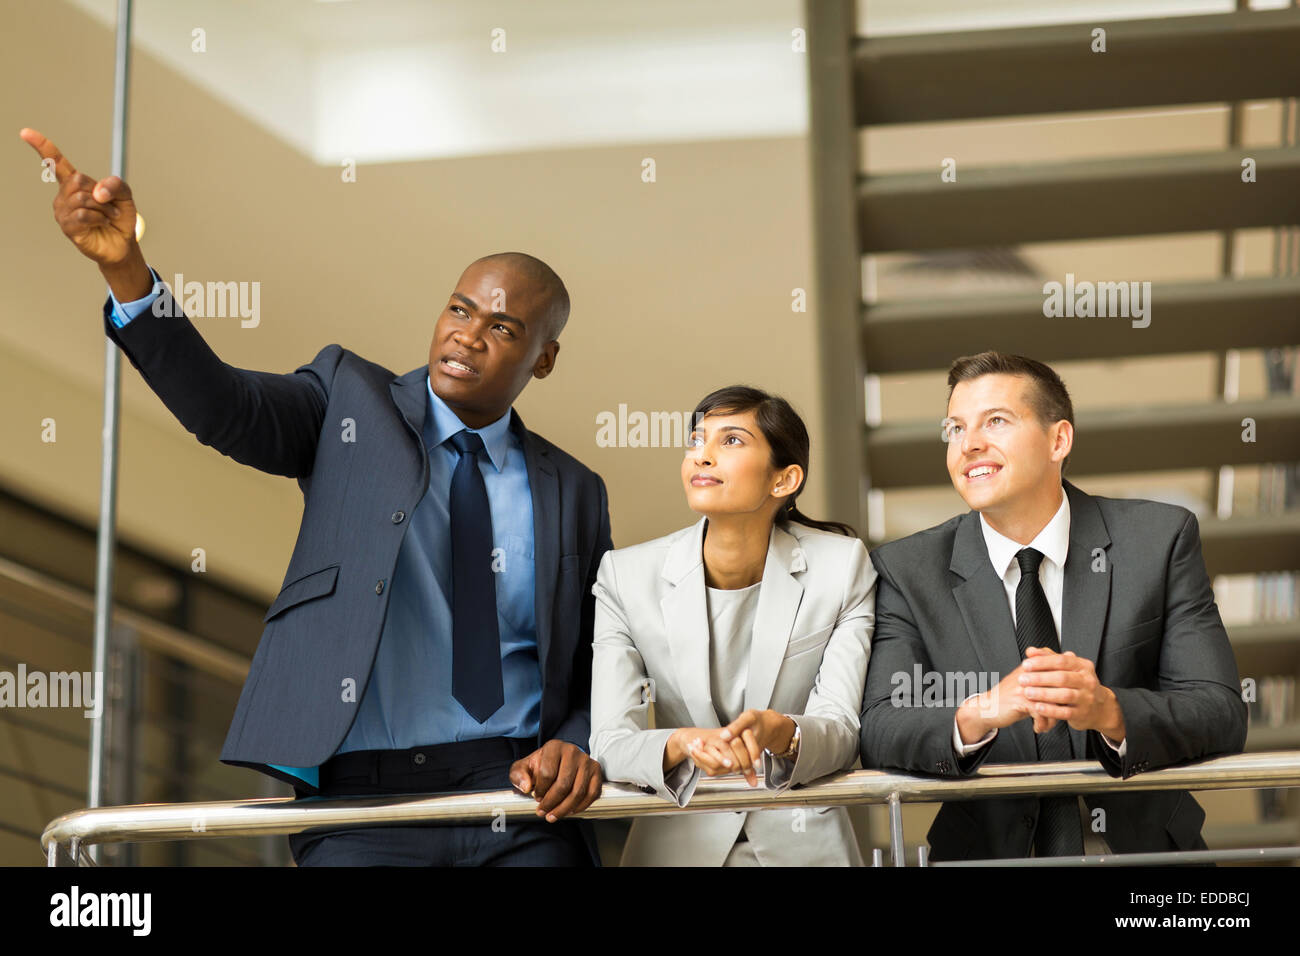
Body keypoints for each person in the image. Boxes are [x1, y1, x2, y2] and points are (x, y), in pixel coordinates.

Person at [22, 127, 612, 866]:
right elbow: (224, 408)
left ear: (543, 358)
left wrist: (576, 744)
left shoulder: (575, 491)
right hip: (362, 805)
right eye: (459, 310)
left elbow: (601, 659)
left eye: (502, 327)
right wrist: (130, 273)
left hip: (519, 801)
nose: (467, 337)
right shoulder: (349, 400)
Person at [859, 351, 1247, 861]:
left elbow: (1220, 711)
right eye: (954, 428)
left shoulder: (1158, 541)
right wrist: (980, 712)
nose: (969, 444)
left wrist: (1110, 711)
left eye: (995, 421)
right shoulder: (908, 569)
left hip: (1145, 856)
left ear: (1058, 440)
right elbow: (880, 727)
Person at [590, 386, 876, 866]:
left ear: (784, 480)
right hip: (677, 847)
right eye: (697, 440)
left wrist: (781, 732)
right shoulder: (625, 576)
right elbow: (610, 742)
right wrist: (679, 742)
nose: (702, 455)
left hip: (805, 846)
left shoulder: (842, 566)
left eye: (731, 441)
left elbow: (843, 731)